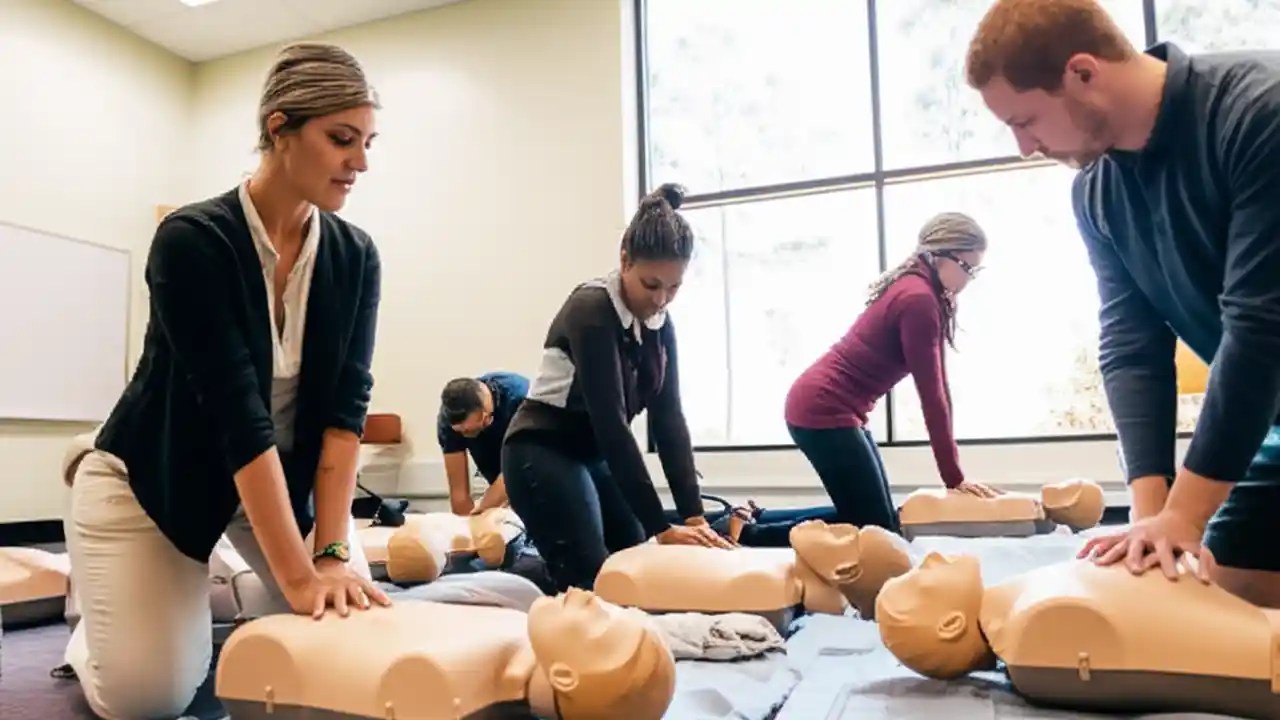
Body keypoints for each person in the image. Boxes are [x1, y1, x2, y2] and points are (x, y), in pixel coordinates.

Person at [62, 43, 390, 720]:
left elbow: (343, 417)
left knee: (340, 648)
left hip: (268, 484)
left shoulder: (356, 257)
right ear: (279, 128)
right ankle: (98, 627)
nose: (360, 163)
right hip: (157, 476)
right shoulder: (191, 241)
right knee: (148, 698)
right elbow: (237, 418)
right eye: (341, 140)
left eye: (367, 142)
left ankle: (210, 580)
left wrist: (327, 556)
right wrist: (295, 578)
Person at [965, 0, 1280, 607]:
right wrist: (1152, 518)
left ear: (1083, 73)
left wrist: (1186, 517)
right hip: (1272, 424)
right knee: (1210, 589)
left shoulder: (1258, 112)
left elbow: (1263, 329)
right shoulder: (1097, 195)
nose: (1024, 147)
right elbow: (1132, 347)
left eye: (1026, 120)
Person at [502, 182, 733, 592]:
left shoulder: (661, 324)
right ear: (624, 260)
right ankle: (518, 583)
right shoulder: (591, 310)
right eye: (651, 284)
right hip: (542, 451)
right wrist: (662, 525)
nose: (662, 299)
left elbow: (669, 420)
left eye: (674, 286)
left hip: (593, 456)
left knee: (634, 563)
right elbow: (612, 425)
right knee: (594, 578)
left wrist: (693, 516)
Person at [784, 213, 1001, 534]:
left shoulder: (923, 289)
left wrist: (953, 474)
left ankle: (749, 518)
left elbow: (940, 385)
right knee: (877, 529)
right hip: (822, 409)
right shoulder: (918, 299)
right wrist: (954, 478)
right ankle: (747, 532)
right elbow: (932, 396)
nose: (969, 280)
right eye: (968, 268)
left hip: (835, 408)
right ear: (941, 255)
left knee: (877, 518)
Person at [437, 372, 529, 515]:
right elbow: (459, 494)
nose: (463, 434)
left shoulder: (520, 400)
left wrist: (480, 512)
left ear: (485, 418)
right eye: (459, 431)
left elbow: (516, 470)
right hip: (496, 468)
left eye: (467, 431)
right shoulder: (448, 421)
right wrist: (468, 529)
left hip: (544, 462)